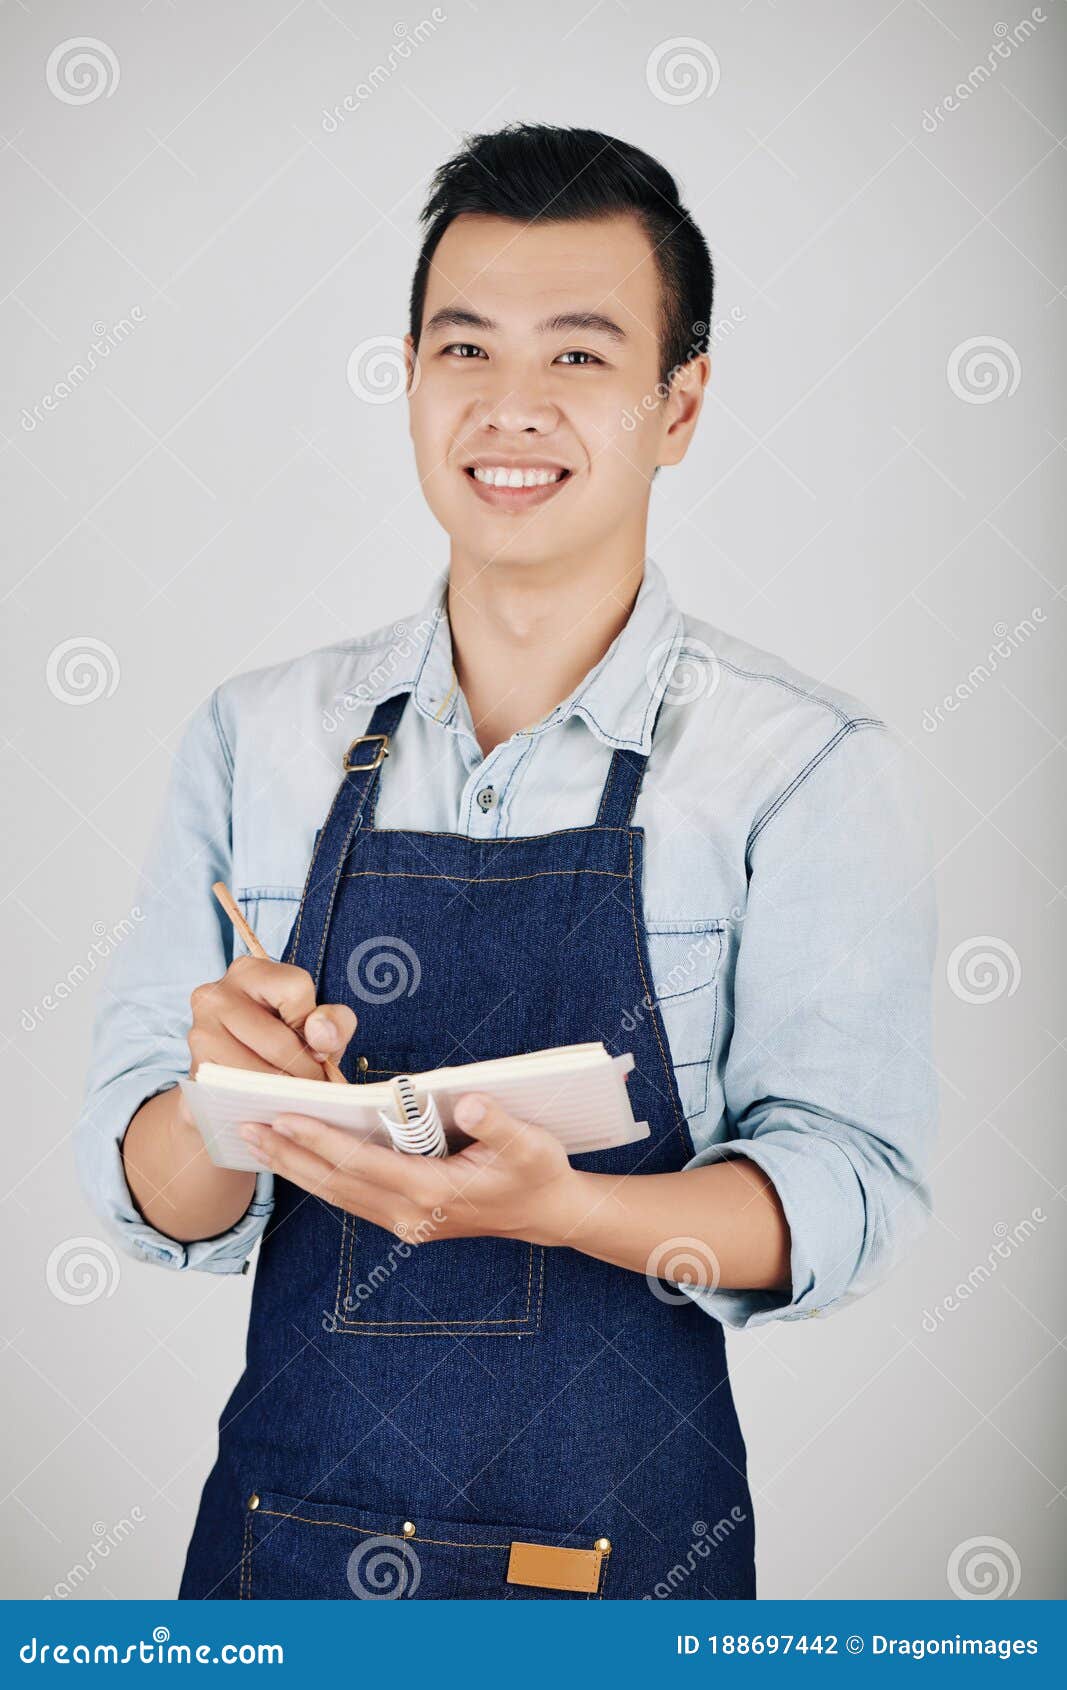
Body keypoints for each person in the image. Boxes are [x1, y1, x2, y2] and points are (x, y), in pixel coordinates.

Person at [74, 123, 938, 1601]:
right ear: (408, 379)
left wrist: (570, 1209)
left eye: (581, 358)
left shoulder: (800, 767)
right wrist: (227, 1102)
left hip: (624, 1572)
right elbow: (152, 1191)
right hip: (280, 1560)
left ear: (681, 406)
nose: (510, 407)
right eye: (464, 349)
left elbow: (846, 1189)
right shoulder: (254, 738)